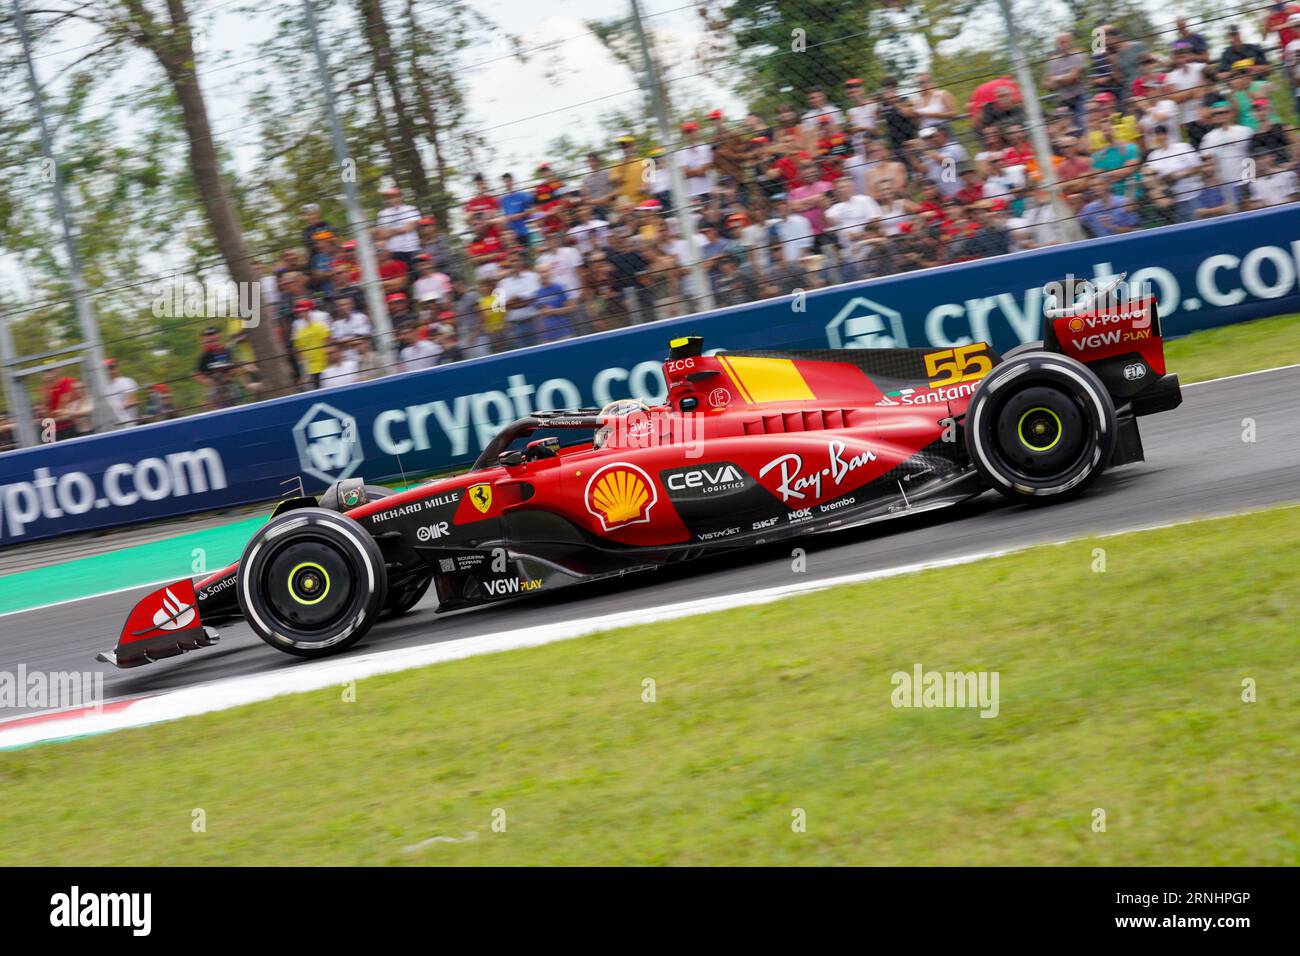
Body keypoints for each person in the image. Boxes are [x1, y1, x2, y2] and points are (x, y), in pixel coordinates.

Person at [374, 186, 422, 268]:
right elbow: (382, 234)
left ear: (401, 197)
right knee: (400, 274)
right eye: (390, 197)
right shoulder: (382, 213)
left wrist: (390, 232)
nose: (393, 199)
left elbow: (411, 227)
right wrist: (402, 229)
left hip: (411, 248)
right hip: (393, 250)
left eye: (395, 196)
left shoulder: (411, 209)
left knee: (415, 273)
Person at [291, 299, 332, 389]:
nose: (300, 314)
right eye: (299, 312)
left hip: (324, 366)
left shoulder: (320, 326)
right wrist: (303, 373)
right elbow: (299, 352)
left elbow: (327, 344)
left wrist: (329, 363)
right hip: (310, 369)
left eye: (303, 311)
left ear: (308, 311)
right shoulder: (300, 332)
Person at [102, 358, 139, 427]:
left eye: (112, 368)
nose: (110, 371)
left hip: (130, 423)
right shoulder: (102, 388)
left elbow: (133, 401)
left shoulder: (127, 381)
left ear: (116, 368)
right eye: (107, 369)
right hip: (112, 426)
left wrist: (114, 409)